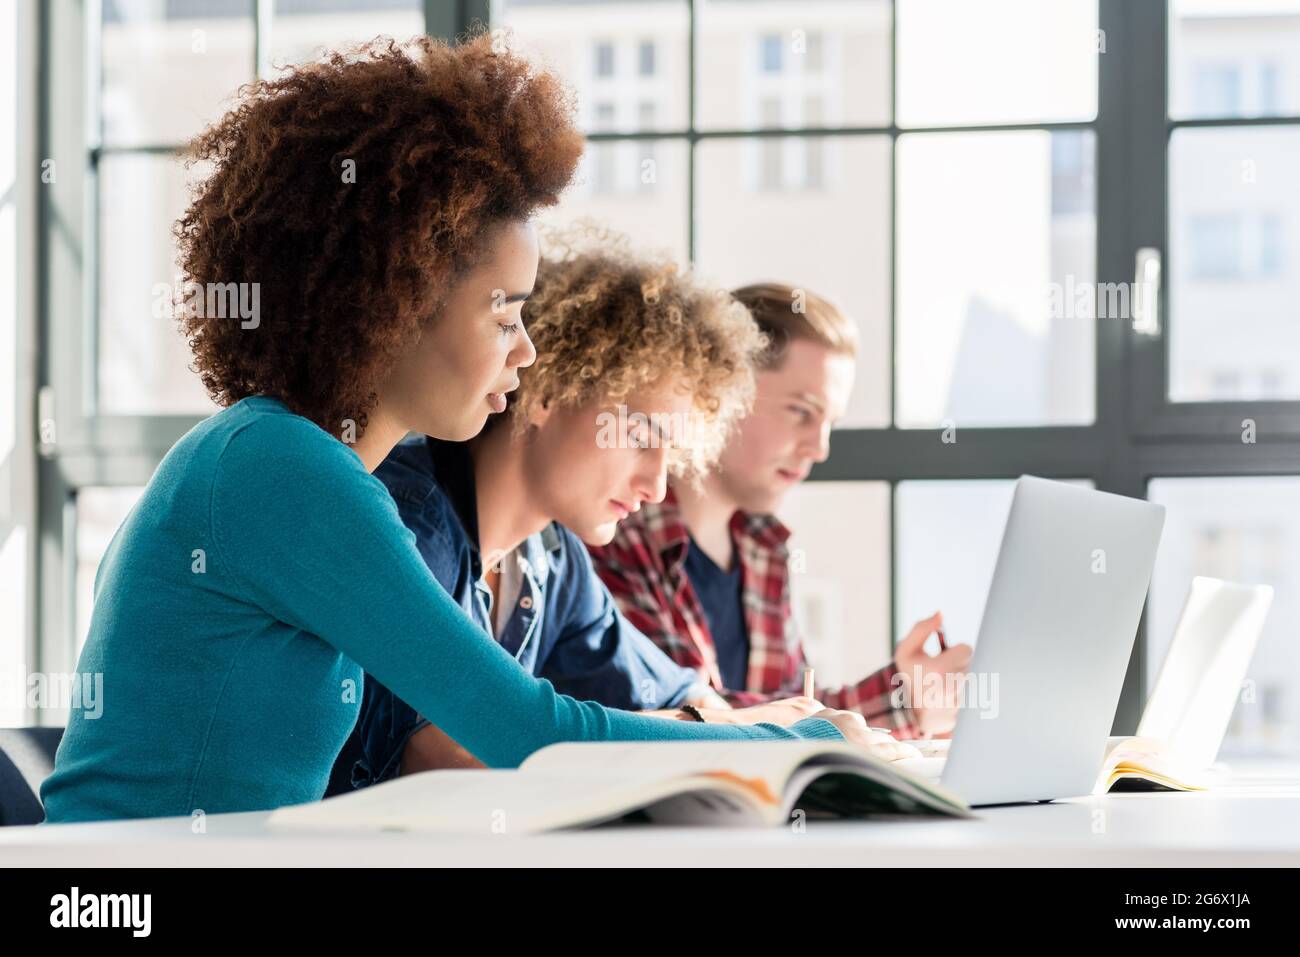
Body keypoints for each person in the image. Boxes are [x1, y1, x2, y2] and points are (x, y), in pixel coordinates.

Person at [40, 37, 896, 824]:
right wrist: (798, 748)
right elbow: (526, 728)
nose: (528, 349)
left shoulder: (306, 465)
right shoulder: (281, 467)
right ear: (398, 302)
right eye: (504, 314)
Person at [348, 243, 832, 780]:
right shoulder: (410, 517)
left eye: (673, 455)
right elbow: (451, 756)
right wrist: (736, 734)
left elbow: (688, 694)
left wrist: (740, 724)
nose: (654, 486)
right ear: (554, 389)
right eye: (641, 436)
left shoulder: (554, 561)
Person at [590, 282, 973, 739]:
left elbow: (791, 712)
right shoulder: (612, 530)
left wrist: (910, 698)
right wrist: (898, 706)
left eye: (829, 421)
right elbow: (684, 720)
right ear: (721, 392)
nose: (820, 447)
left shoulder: (763, 547)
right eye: (800, 411)